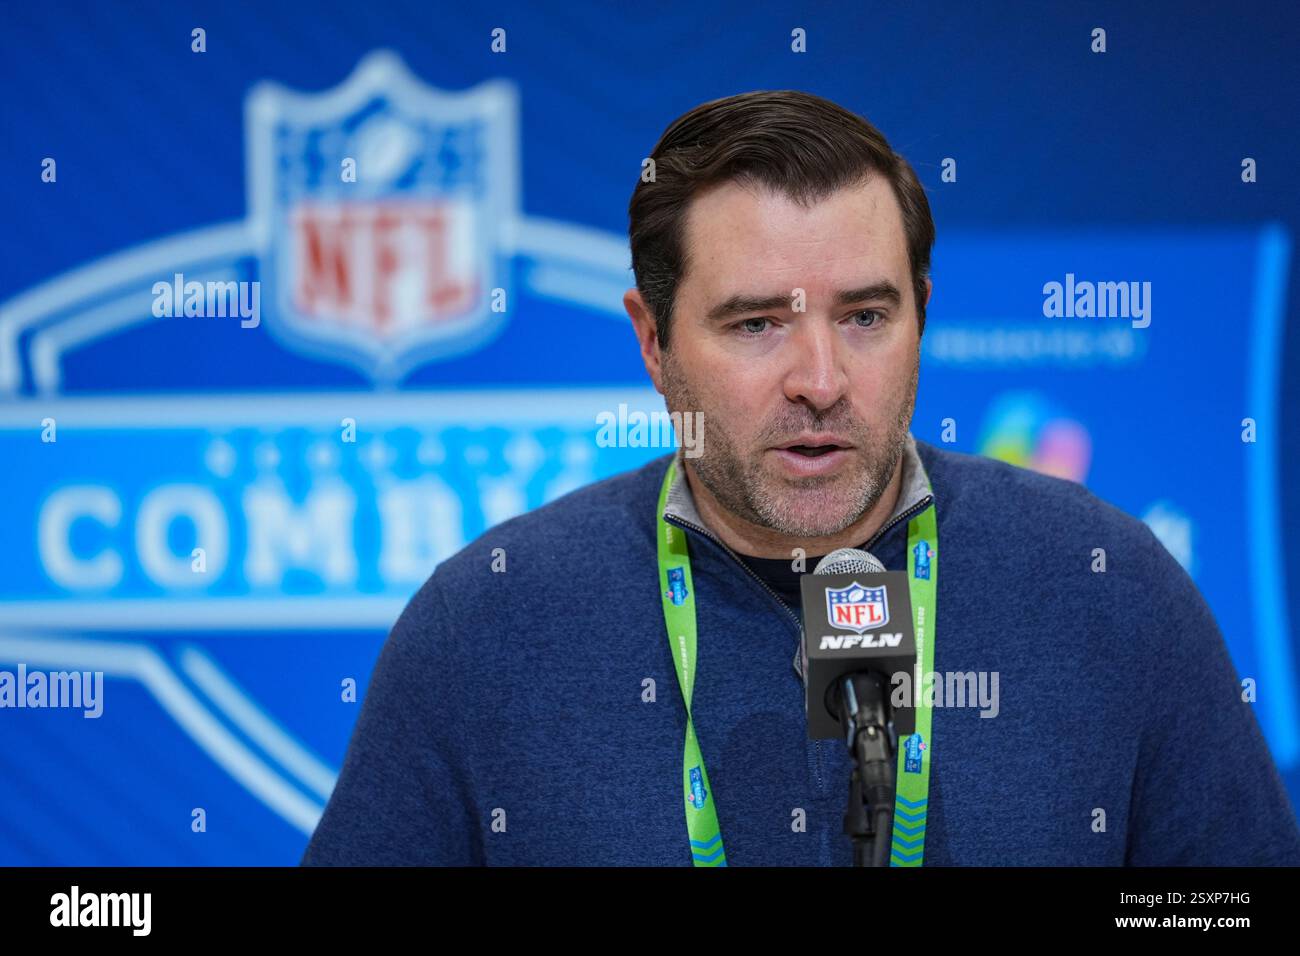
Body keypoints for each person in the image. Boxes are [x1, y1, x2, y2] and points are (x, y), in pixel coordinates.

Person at [301, 90, 1300, 866]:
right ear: (652, 342)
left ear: (922, 315)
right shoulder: (488, 619)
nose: (820, 381)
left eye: (865, 317)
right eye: (756, 324)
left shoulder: (1107, 586)